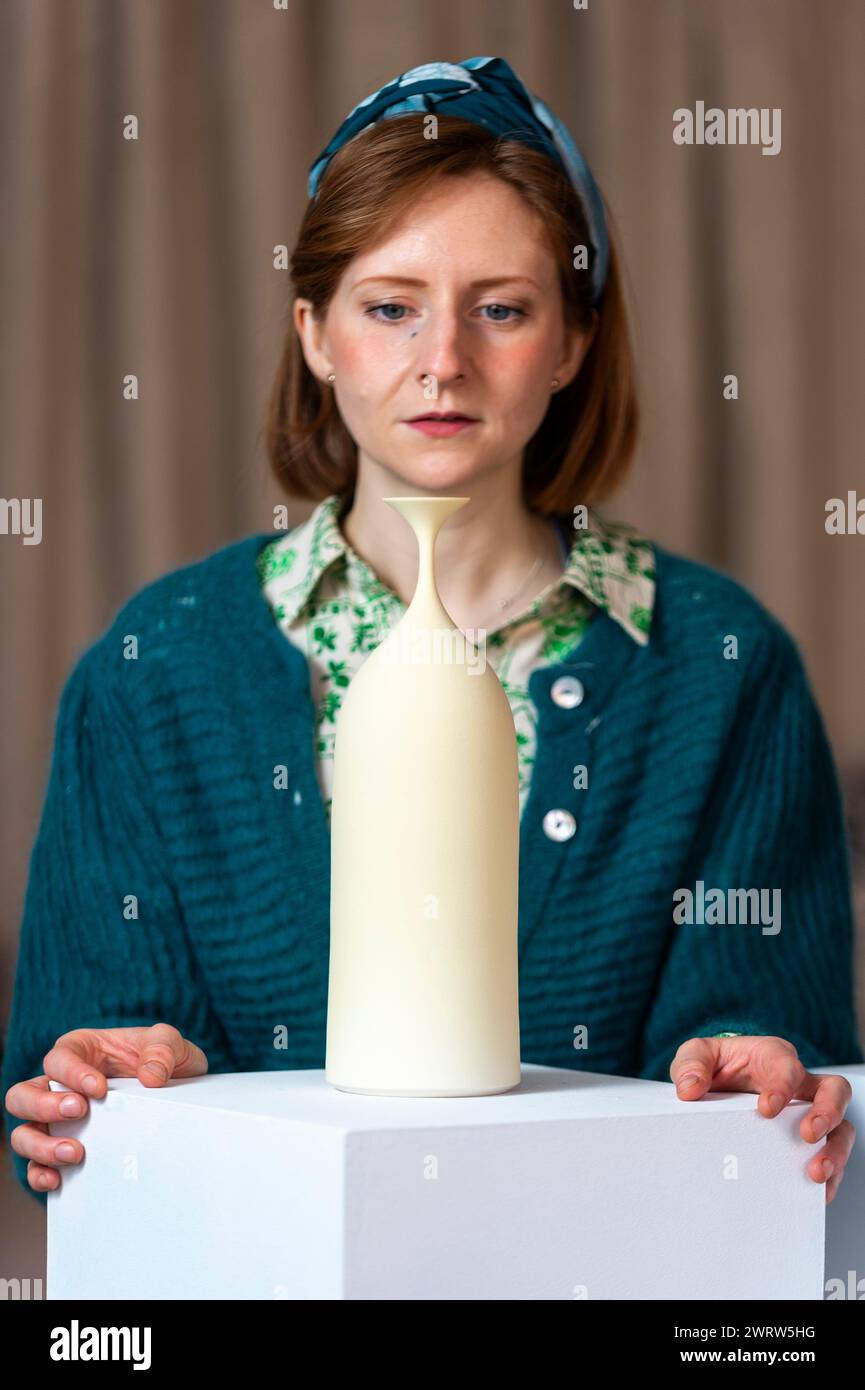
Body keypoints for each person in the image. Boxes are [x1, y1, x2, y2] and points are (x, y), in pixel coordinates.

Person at [3, 58, 860, 1212]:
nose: (443, 360)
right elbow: (74, 1094)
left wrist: (757, 1075)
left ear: (569, 343)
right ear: (313, 332)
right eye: (389, 306)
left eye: (500, 309)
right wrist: (127, 1091)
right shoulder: (155, 670)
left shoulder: (720, 666)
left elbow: (767, 1048)